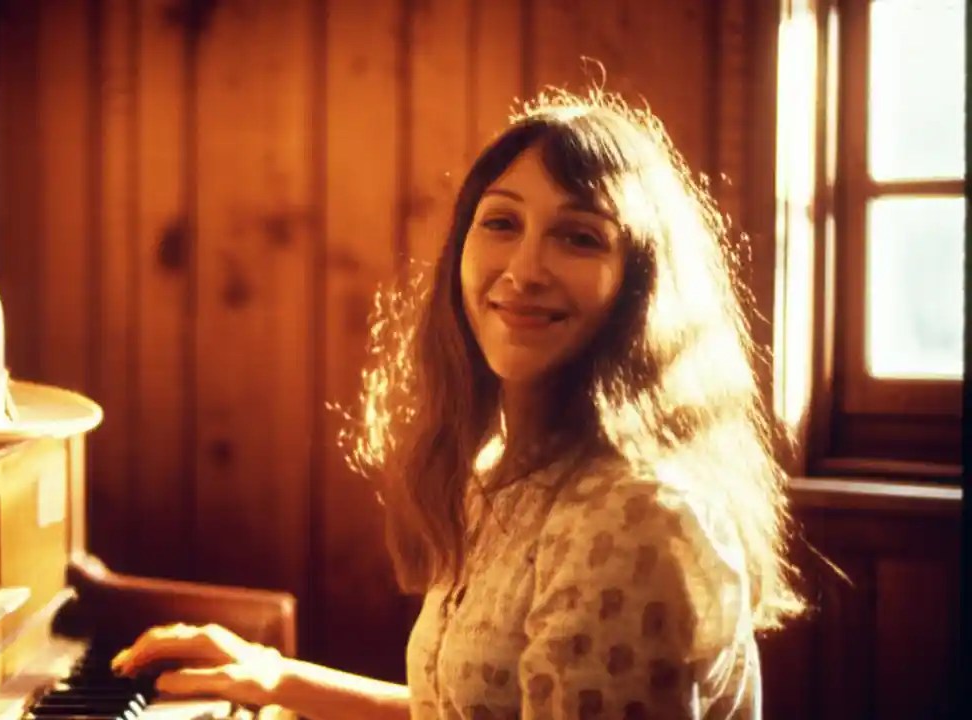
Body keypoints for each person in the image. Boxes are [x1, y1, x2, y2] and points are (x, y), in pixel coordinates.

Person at [109, 88, 806, 719]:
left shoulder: (634, 519)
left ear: (639, 288)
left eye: (580, 236)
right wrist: (276, 678)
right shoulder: (506, 471)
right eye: (501, 223)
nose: (524, 269)